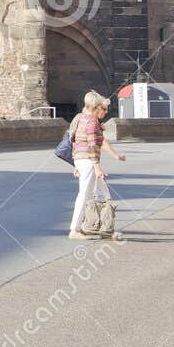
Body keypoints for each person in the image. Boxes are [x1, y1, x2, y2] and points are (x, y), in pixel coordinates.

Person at [69, 89, 126, 241]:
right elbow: (92, 146)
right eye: (103, 108)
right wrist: (97, 167)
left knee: (103, 194)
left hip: (82, 160)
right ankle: (75, 229)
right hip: (89, 162)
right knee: (84, 195)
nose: (106, 112)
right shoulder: (92, 122)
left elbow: (74, 140)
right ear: (96, 107)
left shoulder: (79, 118)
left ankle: (105, 228)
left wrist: (76, 163)